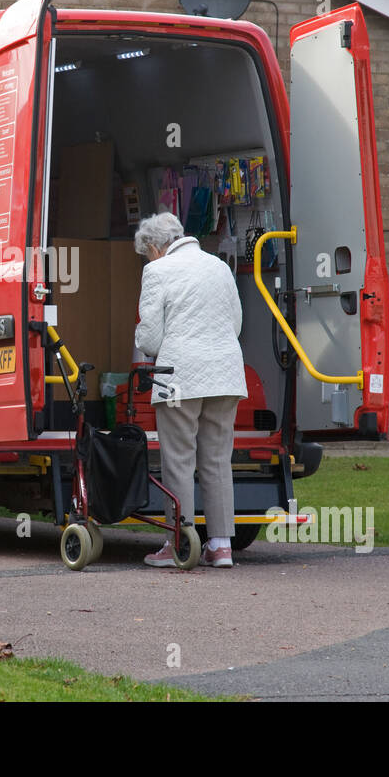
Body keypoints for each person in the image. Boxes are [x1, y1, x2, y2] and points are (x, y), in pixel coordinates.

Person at [133, 211, 246, 568]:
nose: (147, 259)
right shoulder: (218, 267)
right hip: (226, 373)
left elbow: (150, 338)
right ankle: (221, 545)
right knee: (215, 459)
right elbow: (236, 323)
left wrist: (141, 342)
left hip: (179, 374)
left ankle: (179, 543)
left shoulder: (157, 271)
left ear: (154, 246)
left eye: (146, 253)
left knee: (179, 460)